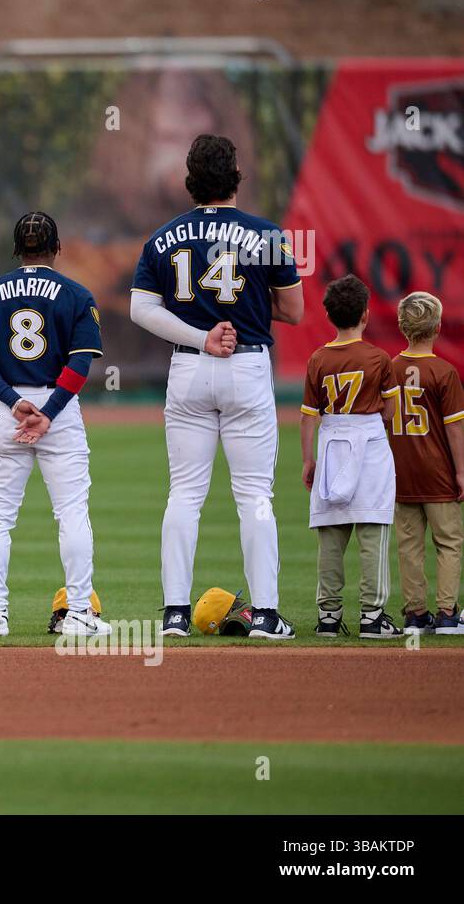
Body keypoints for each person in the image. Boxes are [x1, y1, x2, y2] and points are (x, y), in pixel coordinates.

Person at [130, 134, 304, 639]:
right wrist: (243, 308)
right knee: (254, 496)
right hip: (246, 367)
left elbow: (143, 309)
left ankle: (176, 615)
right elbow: (293, 310)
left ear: (189, 184)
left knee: (184, 494)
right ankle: (267, 615)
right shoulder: (266, 234)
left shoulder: (162, 237)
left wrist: (201, 337)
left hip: (188, 367)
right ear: (237, 179)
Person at [0, 211, 110, 638]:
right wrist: (50, 411)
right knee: (72, 514)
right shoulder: (77, 295)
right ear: (57, 248)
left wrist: (13, 401)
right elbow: (80, 362)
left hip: (8, 408)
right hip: (57, 410)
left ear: (15, 249)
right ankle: (80, 613)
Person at [299, 276, 400, 639]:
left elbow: (309, 414)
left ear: (328, 314)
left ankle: (329, 615)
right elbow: (389, 411)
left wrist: (308, 460)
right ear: (365, 315)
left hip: (331, 444)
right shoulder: (378, 357)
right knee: (372, 532)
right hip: (369, 443)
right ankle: (373, 616)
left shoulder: (318, 358)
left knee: (331, 534)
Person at [386, 292, 464, 635]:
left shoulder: (388, 367)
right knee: (448, 542)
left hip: (401, 470)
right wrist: (461, 470)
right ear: (437, 327)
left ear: (403, 326)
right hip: (438, 470)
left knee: (409, 545)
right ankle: (448, 614)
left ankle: (416, 615)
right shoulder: (444, 371)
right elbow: (455, 428)